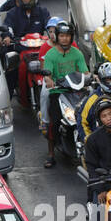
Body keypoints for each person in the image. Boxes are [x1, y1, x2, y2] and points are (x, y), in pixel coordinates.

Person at [40, 20, 88, 167]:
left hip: (76, 92)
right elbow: (47, 73)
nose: (65, 39)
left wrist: (91, 77)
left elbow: (84, 71)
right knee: (53, 122)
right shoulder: (51, 55)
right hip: (58, 92)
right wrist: (49, 80)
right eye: (62, 36)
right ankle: (50, 153)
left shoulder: (77, 53)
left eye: (68, 36)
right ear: (57, 37)